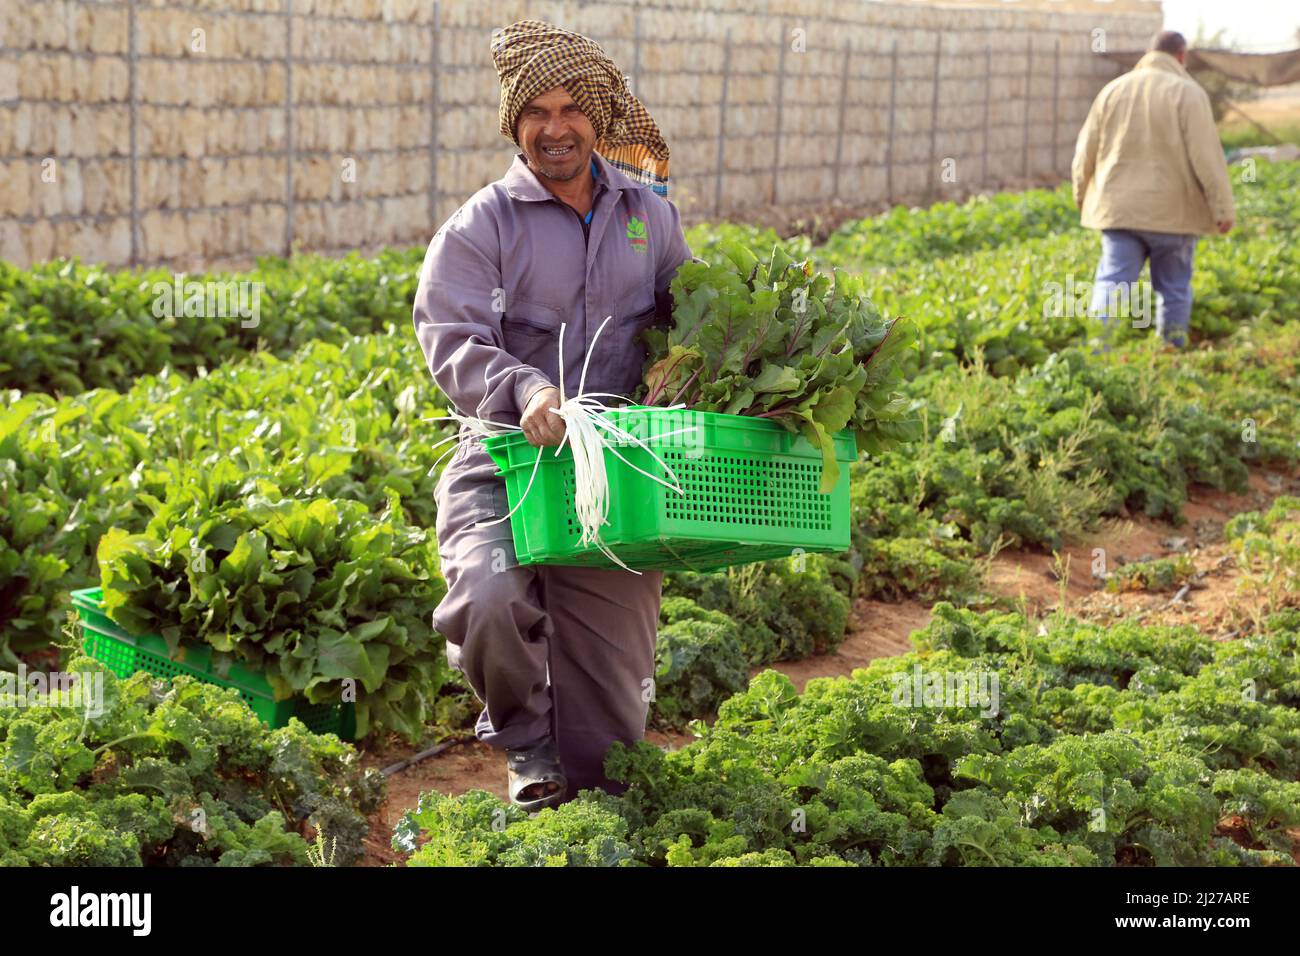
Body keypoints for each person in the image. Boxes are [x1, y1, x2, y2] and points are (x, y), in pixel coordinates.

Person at [411, 19, 692, 810]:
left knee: (610, 748)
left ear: (597, 118)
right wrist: (527, 390)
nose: (554, 127)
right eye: (535, 111)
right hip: (506, 458)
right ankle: (525, 742)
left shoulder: (649, 217)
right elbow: (451, 337)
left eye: (570, 109)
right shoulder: (481, 227)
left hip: (618, 472)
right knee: (487, 599)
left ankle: (586, 788)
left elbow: (689, 316)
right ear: (514, 124)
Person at [1071, 29, 1235, 348]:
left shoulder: (1112, 91)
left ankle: (1097, 353)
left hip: (1119, 212)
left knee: (1113, 283)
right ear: (1181, 56)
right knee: (1173, 288)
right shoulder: (1188, 93)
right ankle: (1171, 353)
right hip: (1174, 215)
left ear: (1149, 53)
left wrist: (1082, 196)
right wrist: (1223, 210)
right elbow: (1208, 160)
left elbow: (1084, 153)